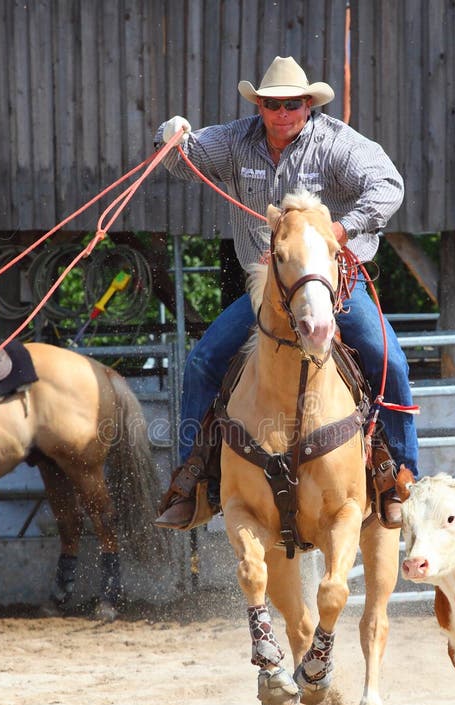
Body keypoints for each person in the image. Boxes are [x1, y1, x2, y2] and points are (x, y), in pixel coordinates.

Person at [153, 55, 418, 530]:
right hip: (268, 290)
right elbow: (180, 159)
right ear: (260, 106)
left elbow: (388, 184)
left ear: (308, 105)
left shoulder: (335, 143)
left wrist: (342, 229)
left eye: (293, 105)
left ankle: (396, 473)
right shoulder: (236, 140)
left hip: (332, 283)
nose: (283, 113)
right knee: (202, 361)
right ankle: (191, 479)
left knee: (387, 358)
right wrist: (172, 135)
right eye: (273, 105)